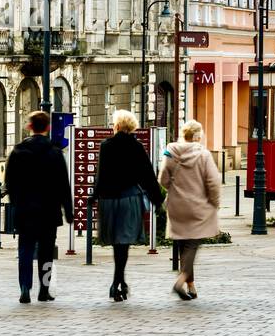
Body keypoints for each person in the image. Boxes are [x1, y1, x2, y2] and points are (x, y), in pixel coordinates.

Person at [91, 109, 164, 301]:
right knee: (123, 243)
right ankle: (118, 282)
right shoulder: (137, 146)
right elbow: (147, 175)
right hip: (129, 199)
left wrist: (93, 196)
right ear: (131, 126)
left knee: (116, 243)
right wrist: (158, 199)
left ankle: (118, 282)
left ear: (116, 125)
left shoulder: (106, 145)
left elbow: (101, 175)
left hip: (109, 200)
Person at [4, 110, 72, 304]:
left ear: (30, 127)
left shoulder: (18, 151)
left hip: (25, 210)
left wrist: (16, 203)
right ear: (48, 128)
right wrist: (68, 210)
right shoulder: (55, 153)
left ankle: (25, 287)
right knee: (46, 251)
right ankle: (44, 289)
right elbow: (63, 185)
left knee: (25, 249)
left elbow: (10, 181)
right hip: (49, 211)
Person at [158, 119, 221, 301]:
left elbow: (162, 178)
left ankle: (191, 286)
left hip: (177, 205)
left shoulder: (171, 151)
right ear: (197, 136)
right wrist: (214, 202)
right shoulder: (204, 154)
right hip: (198, 206)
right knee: (192, 244)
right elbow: (213, 182)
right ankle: (181, 280)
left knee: (182, 244)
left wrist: (174, 187)